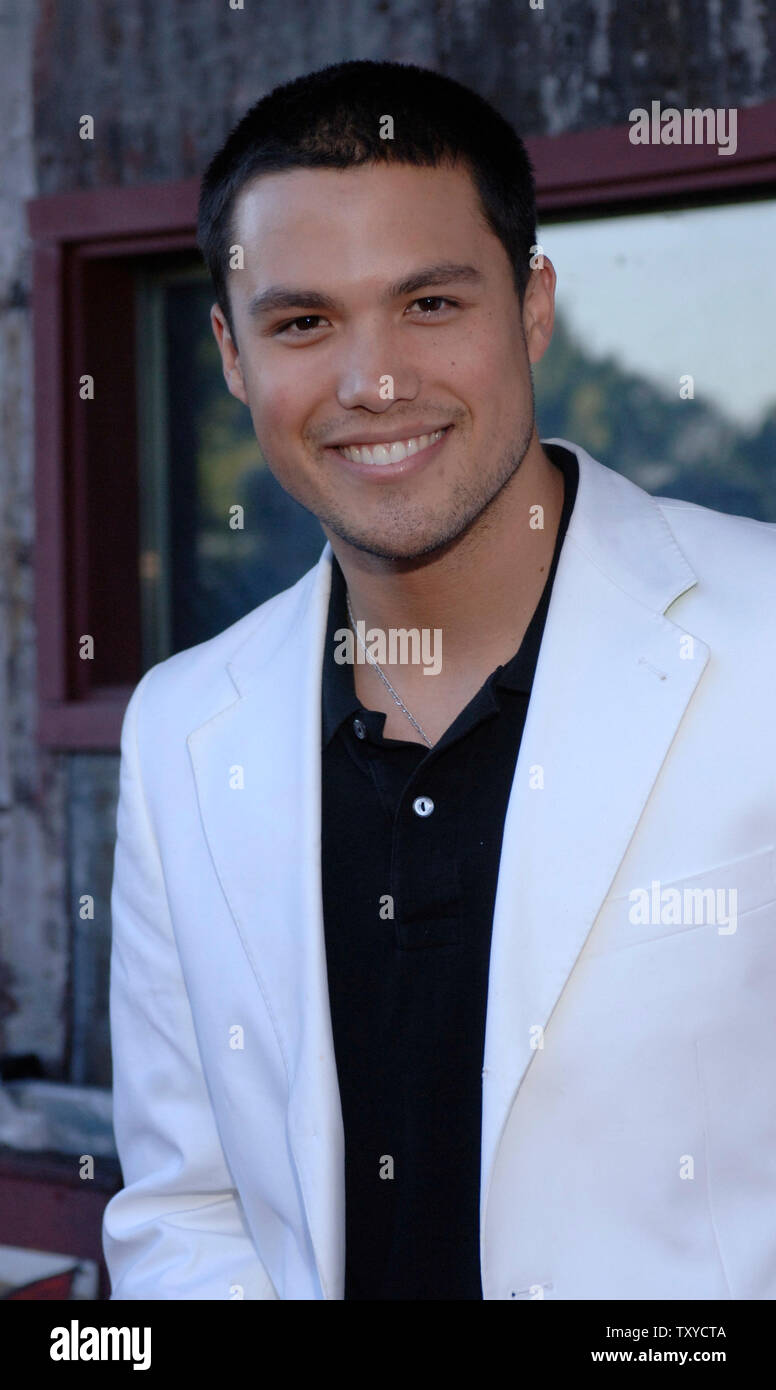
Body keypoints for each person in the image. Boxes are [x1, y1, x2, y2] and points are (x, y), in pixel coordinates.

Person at [102, 59, 776, 1300]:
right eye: (303, 321)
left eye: (428, 303)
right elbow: (189, 1205)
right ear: (234, 354)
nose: (373, 384)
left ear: (530, 308)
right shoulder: (181, 728)